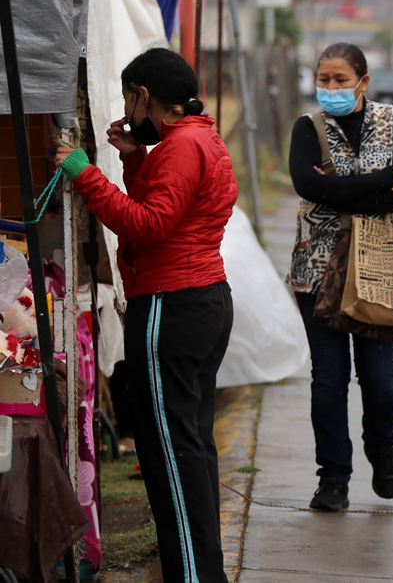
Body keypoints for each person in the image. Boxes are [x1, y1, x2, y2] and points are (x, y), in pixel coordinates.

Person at [54, 47, 238, 583]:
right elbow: (167, 208)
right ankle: (203, 572)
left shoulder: (181, 146)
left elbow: (148, 224)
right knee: (190, 447)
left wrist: (86, 175)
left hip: (171, 305)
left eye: (127, 97)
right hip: (200, 299)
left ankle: (193, 577)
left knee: (171, 455)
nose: (125, 108)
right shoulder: (199, 136)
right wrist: (135, 159)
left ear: (144, 97)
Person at [286, 42, 393, 511]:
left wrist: (338, 191)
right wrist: (382, 180)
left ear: (363, 82)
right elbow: (308, 185)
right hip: (316, 269)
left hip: (380, 267)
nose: (330, 88)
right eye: (323, 79)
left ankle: (381, 449)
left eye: (340, 80)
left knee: (379, 377)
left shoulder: (392, 121)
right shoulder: (307, 128)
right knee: (329, 377)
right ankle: (333, 479)